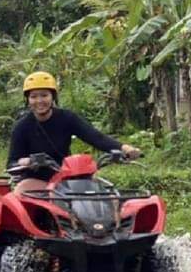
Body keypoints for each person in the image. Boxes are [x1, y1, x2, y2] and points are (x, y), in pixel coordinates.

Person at [8, 71, 141, 193]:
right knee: (21, 193)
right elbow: (11, 163)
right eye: (33, 96)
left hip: (68, 179)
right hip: (37, 181)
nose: (39, 101)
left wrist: (125, 148)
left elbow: (95, 137)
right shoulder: (22, 127)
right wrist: (24, 162)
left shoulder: (67, 118)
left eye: (44, 95)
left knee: (106, 197)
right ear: (28, 100)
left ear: (53, 96)